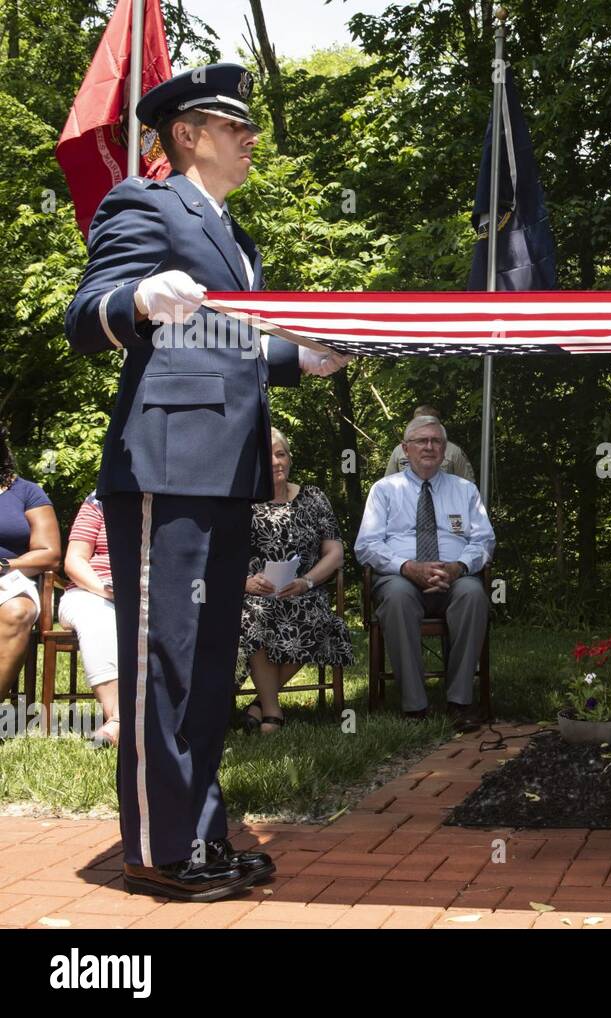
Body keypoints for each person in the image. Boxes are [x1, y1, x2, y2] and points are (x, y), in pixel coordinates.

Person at [64, 64, 349, 903]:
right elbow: (87, 314)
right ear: (187, 133)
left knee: (205, 662)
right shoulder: (146, 204)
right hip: (166, 465)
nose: (251, 137)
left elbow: (233, 347)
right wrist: (140, 298)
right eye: (235, 125)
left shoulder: (234, 237)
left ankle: (199, 832)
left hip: (228, 473)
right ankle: (156, 848)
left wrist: (303, 357)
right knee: (167, 663)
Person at [357, 415, 493, 732]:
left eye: (436, 441)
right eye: (422, 441)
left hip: (454, 577)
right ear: (405, 449)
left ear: (445, 449)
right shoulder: (384, 490)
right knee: (397, 598)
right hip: (401, 577)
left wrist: (458, 567)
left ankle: (460, 701)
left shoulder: (465, 490)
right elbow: (366, 545)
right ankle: (414, 705)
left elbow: (484, 540)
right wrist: (407, 567)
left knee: (474, 595)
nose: (429, 447)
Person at [238, 428, 353, 734]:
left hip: (303, 591)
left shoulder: (314, 497)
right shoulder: (242, 501)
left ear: (290, 458)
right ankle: (273, 711)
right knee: (252, 616)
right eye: (269, 455)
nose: (277, 461)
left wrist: (307, 582)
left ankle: (259, 704)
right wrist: (246, 582)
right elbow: (221, 555)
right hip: (256, 593)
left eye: (282, 454)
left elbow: (335, 552)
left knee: (321, 620)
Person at [0, 425, 61, 702]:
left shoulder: (26, 492)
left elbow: (50, 553)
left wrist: (5, 565)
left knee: (17, 612)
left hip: (8, 576)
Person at [58, 491, 121, 746]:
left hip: (150, 592)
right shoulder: (100, 499)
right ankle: (119, 720)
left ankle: (120, 724)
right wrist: (106, 591)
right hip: (91, 589)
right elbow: (74, 560)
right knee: (98, 616)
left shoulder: (173, 498)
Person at [385, 404, 476, 483]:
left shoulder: (454, 452)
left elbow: (466, 483)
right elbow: (388, 482)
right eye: (418, 422)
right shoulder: (400, 450)